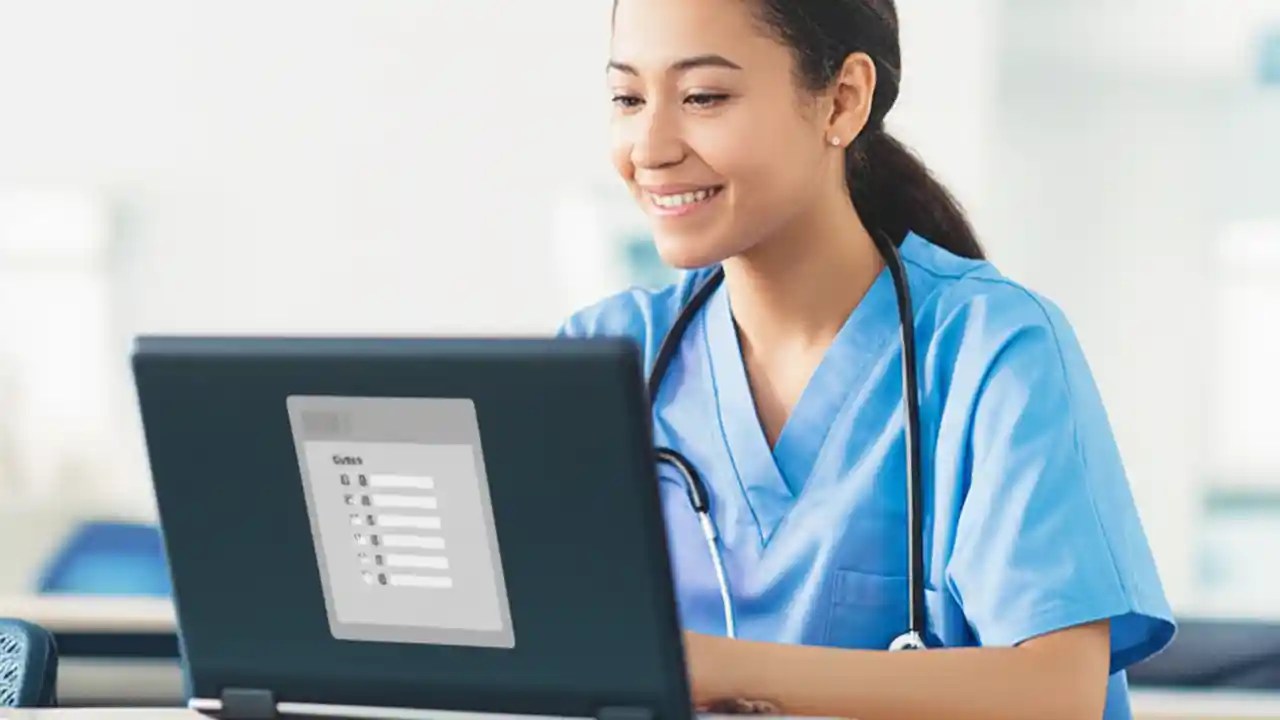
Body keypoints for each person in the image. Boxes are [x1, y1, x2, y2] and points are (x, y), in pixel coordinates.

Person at [558, 1, 1176, 718]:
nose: (650, 145)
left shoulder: (992, 348)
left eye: (704, 97)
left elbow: (1054, 691)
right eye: (628, 98)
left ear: (843, 101)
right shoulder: (607, 360)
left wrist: (710, 669)